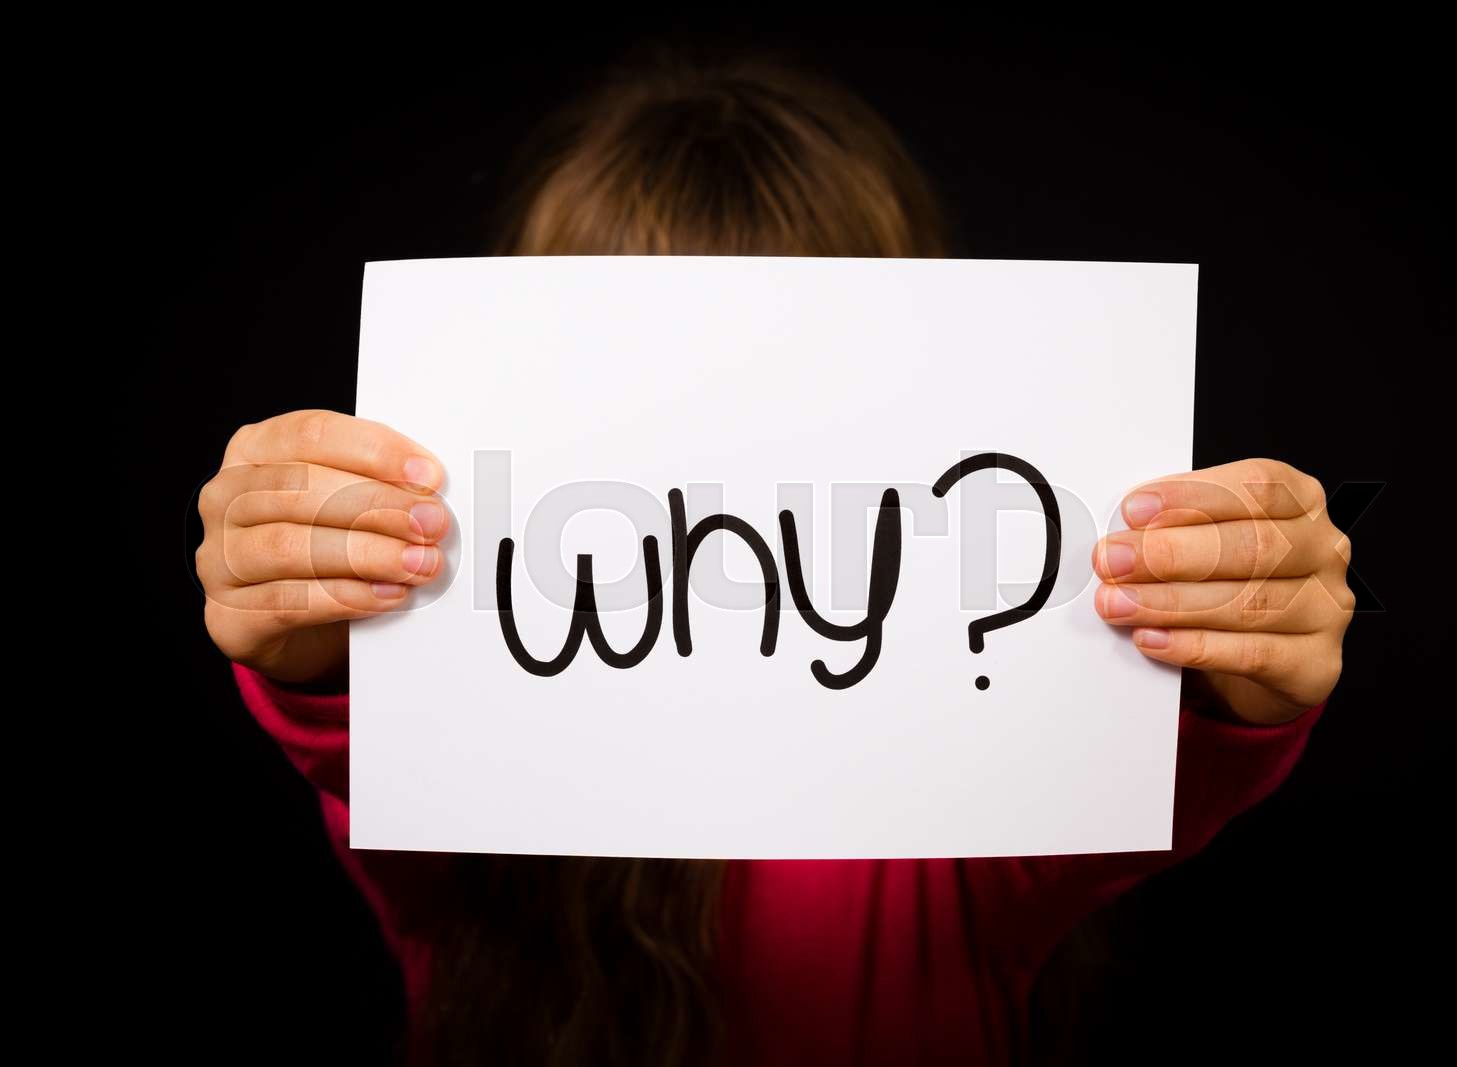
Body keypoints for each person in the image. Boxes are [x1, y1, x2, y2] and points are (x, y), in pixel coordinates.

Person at [196, 44, 1353, 1067]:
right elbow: (364, 745)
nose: (731, 448)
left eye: (803, 386)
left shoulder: (969, 794)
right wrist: (311, 612)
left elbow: (1152, 763)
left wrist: (1233, 658)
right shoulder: (473, 778)